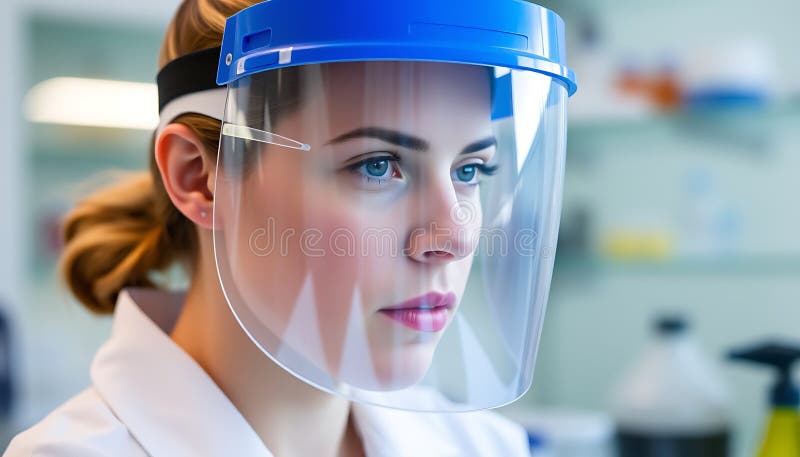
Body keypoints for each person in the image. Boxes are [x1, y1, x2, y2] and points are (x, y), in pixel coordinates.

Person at [5, 0, 577, 455]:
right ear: (199, 179)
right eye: (377, 165)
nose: (453, 237)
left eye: (470, 170)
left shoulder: (478, 446)